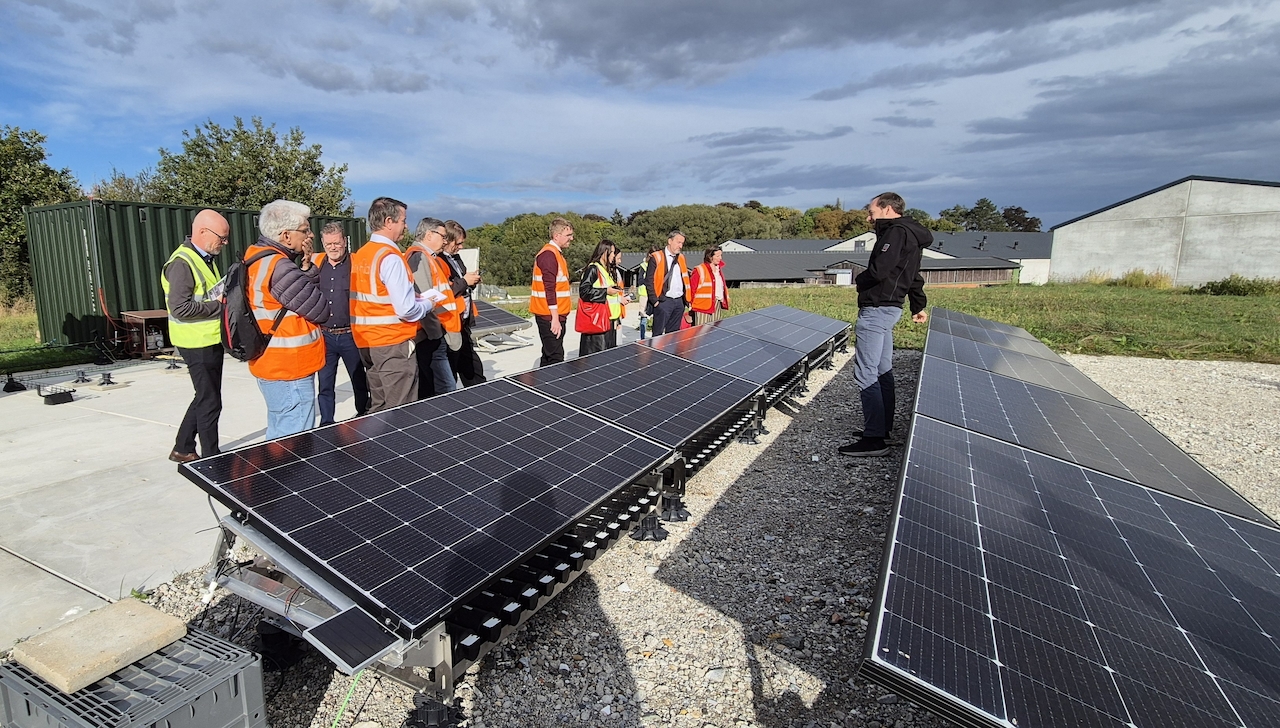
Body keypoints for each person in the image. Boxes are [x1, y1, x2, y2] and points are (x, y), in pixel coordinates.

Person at [839, 192, 932, 457]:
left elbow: (879, 271)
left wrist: (860, 281)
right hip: (892, 308)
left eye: (872, 212)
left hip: (877, 308)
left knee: (866, 372)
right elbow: (913, 275)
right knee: (882, 370)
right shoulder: (913, 235)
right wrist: (918, 305)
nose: (869, 218)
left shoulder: (895, 233)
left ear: (888, 209)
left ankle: (874, 439)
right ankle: (882, 429)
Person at [245, 200, 331, 439]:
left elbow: (298, 298)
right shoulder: (279, 267)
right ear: (285, 235)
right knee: (294, 442)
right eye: (305, 230)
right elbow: (320, 310)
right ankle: (287, 477)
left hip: (270, 362)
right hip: (289, 368)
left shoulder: (254, 258)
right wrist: (310, 270)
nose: (310, 234)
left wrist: (305, 268)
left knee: (279, 432)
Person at [350, 197, 432, 412]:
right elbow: (405, 309)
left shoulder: (362, 254)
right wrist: (428, 304)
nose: (406, 226)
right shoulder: (390, 257)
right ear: (388, 221)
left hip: (367, 342)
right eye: (403, 221)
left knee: (380, 406)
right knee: (401, 412)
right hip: (392, 343)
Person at [162, 209, 229, 462]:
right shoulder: (182, 263)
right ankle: (211, 457)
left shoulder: (202, 258)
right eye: (221, 238)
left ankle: (183, 447)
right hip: (196, 342)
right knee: (210, 402)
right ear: (202, 232)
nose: (224, 243)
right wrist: (220, 306)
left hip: (208, 339)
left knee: (204, 396)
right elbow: (180, 307)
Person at [311, 222, 369, 426]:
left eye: (337, 243)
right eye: (328, 244)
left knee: (359, 380)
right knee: (325, 384)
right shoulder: (317, 263)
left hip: (350, 335)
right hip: (325, 336)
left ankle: (363, 415)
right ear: (323, 243)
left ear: (344, 241)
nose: (333, 247)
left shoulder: (356, 264)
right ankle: (327, 423)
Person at [405, 218, 459, 398]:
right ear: (429, 235)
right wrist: (436, 334)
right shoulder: (418, 257)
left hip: (434, 332)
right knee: (445, 389)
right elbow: (424, 299)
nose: (445, 241)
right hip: (430, 335)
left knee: (437, 388)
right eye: (443, 236)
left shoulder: (427, 257)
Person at [441, 220, 486, 386]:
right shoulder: (439, 260)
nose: (460, 247)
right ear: (447, 240)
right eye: (458, 243)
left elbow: (461, 283)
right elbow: (446, 291)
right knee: (450, 369)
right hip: (449, 323)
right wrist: (465, 281)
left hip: (463, 321)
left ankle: (479, 394)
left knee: (473, 368)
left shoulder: (455, 258)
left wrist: (471, 281)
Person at [530, 217, 574, 366]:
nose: (571, 239)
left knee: (549, 355)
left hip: (553, 314)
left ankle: (542, 385)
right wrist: (554, 318)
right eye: (568, 235)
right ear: (557, 236)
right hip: (548, 315)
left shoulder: (555, 253)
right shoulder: (549, 255)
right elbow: (550, 289)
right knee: (555, 357)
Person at [577, 240, 628, 356]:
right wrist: (606, 292)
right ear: (605, 252)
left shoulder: (607, 270)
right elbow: (584, 291)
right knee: (596, 358)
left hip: (610, 320)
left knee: (607, 358)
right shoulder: (593, 269)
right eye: (612, 252)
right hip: (597, 321)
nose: (614, 256)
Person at [644, 231, 691, 336]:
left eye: (682, 243)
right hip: (663, 301)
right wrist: (655, 301)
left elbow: (685, 279)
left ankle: (670, 352)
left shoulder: (682, 258)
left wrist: (686, 301)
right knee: (658, 335)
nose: (680, 246)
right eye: (678, 242)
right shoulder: (656, 257)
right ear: (670, 241)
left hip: (679, 301)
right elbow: (649, 281)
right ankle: (656, 353)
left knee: (673, 336)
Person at [689, 245, 730, 325]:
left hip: (717, 304)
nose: (720, 258)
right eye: (717, 256)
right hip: (702, 307)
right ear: (710, 257)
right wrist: (691, 305)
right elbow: (692, 289)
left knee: (714, 331)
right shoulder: (699, 269)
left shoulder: (719, 270)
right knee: (702, 332)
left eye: (721, 255)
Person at [605, 244, 628, 348]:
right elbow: (608, 292)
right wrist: (620, 299)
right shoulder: (607, 272)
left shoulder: (616, 272)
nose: (620, 261)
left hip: (616, 312)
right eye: (618, 258)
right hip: (609, 313)